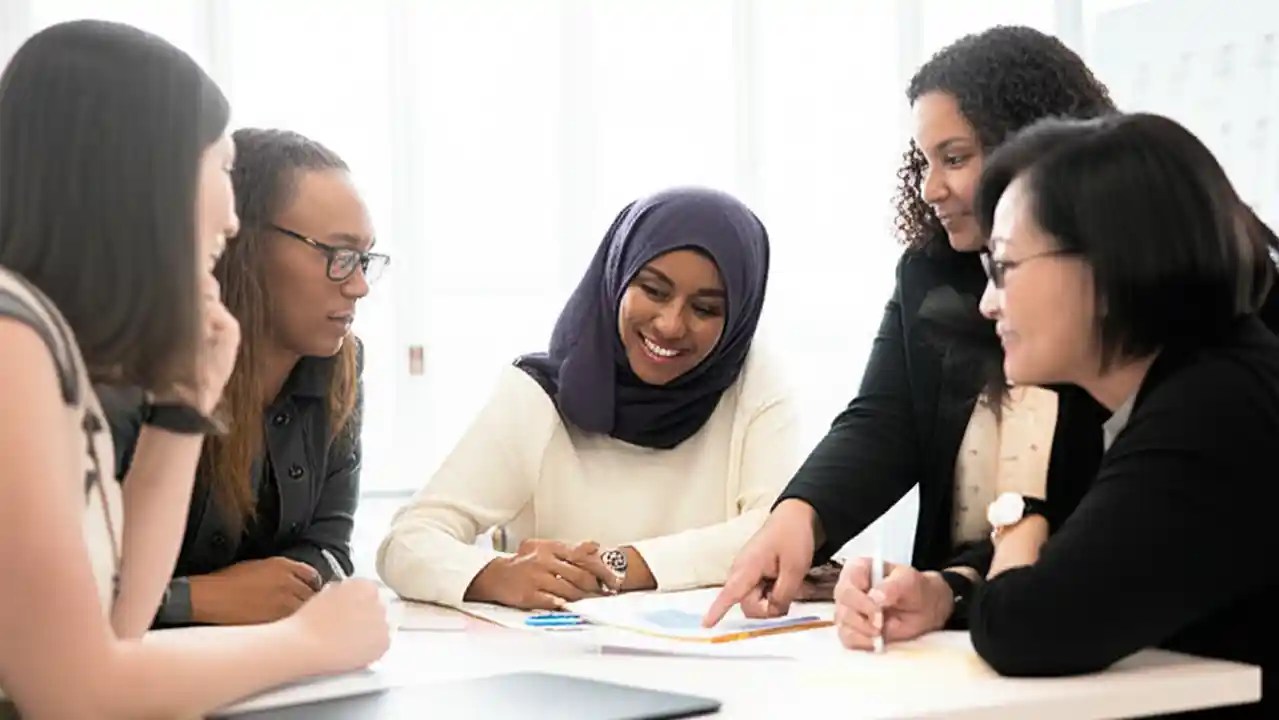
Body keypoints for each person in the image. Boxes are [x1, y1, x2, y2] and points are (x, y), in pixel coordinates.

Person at [0, 21, 388, 718]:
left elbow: (117, 623)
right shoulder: (11, 334)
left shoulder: (47, 338)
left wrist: (185, 406)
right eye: (217, 166)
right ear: (137, 174)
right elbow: (75, 692)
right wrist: (308, 641)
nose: (231, 217)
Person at [837, 113, 1276, 717]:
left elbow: (1025, 627)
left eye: (1004, 267)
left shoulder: (1216, 406)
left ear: (1106, 265)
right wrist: (946, 591)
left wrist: (1019, 520)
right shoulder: (1170, 386)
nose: (988, 303)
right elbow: (1085, 554)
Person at [706, 26, 1121, 627]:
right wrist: (799, 515)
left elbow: (1093, 506)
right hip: (955, 609)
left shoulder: (1108, 290)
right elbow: (883, 419)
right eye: (923, 161)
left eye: (954, 159)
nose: (930, 188)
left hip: (1062, 607)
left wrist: (955, 589)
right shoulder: (929, 270)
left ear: (1032, 149)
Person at [378, 187, 799, 610]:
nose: (671, 325)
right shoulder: (538, 396)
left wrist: (622, 564)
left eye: (705, 310)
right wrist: (496, 575)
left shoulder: (753, 384)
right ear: (617, 276)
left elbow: (781, 530)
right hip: (551, 663)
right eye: (653, 290)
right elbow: (408, 541)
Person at [100, 128, 389, 627]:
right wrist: (197, 598)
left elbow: (330, 549)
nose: (360, 286)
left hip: (258, 671)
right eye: (337, 257)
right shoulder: (125, 372)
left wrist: (275, 591)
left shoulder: (342, 365)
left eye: (363, 259)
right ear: (239, 242)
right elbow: (46, 592)